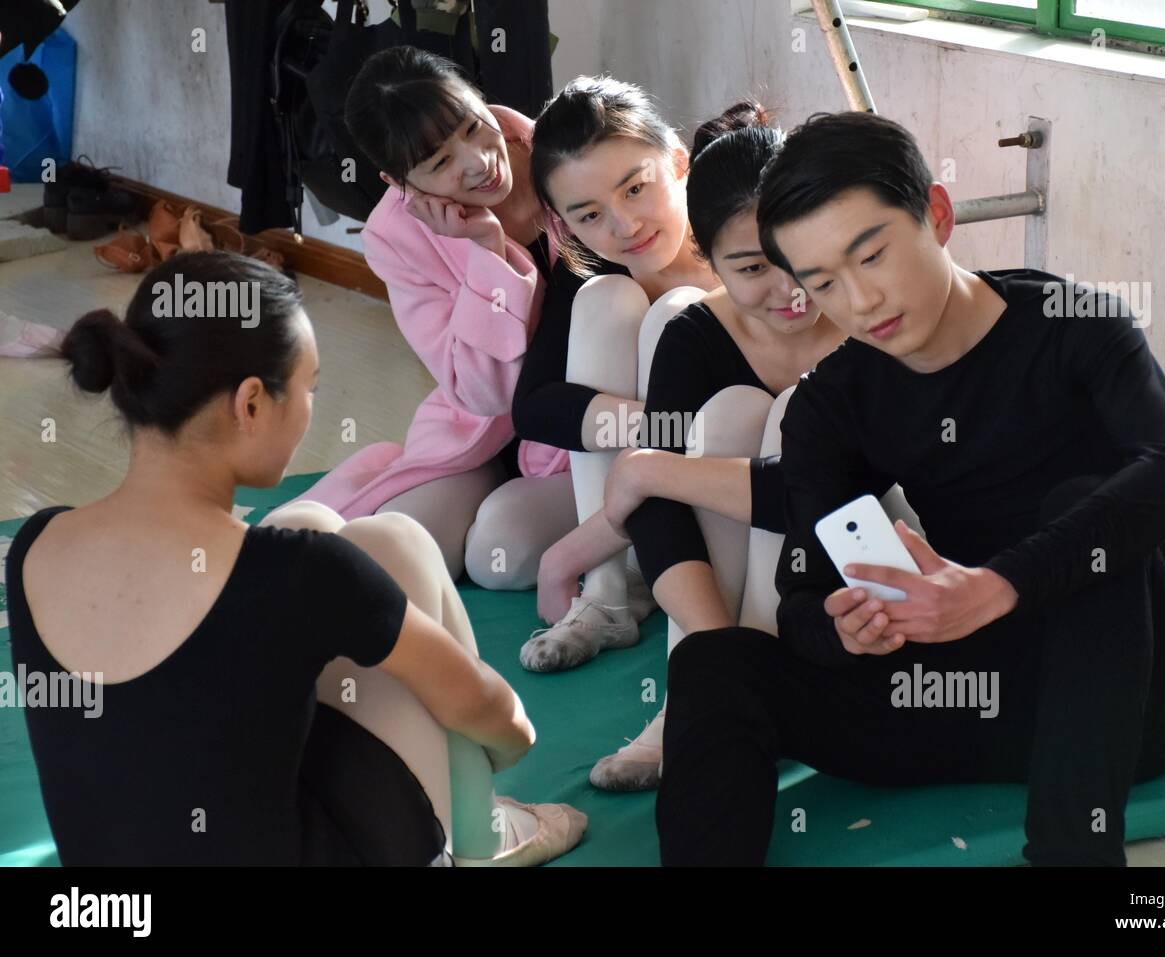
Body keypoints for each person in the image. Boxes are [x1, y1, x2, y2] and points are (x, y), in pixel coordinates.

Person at [655, 110, 1165, 866]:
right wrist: (842, 624)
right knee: (714, 660)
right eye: (822, 283)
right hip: (951, 695)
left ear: (938, 215)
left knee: (1086, 506)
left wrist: (998, 585)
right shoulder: (832, 401)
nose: (859, 302)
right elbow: (800, 600)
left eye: (873, 255)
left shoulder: (1074, 326)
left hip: (1122, 701)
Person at [5, 251, 585, 866]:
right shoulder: (294, 571)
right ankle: (483, 836)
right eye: (308, 387)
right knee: (397, 545)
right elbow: (497, 721)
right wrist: (502, 729)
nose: (311, 409)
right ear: (251, 404)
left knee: (309, 525)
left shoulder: (36, 547)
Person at [547, 100, 918, 790]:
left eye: (797, 258)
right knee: (730, 416)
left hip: (876, 567)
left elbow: (829, 491)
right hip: (767, 575)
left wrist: (649, 475)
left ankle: (754, 695)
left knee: (788, 418)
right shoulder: (693, 336)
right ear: (708, 258)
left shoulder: (870, 313)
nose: (791, 291)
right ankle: (714, 690)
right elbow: (660, 515)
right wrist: (716, 657)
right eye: (751, 269)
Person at [276, 47, 582, 586]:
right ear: (400, 182)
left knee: (499, 557)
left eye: (472, 126)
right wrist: (487, 252)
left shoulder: (568, 148)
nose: (477, 162)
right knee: (393, 562)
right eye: (439, 162)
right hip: (485, 431)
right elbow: (483, 394)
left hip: (584, 421)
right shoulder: (396, 235)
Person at [505, 74, 718, 675]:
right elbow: (535, 406)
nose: (624, 227)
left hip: (735, 484)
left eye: (635, 189)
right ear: (565, 224)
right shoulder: (594, 271)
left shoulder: (739, 238)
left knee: (676, 314)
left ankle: (690, 623)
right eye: (591, 214)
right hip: (641, 481)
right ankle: (606, 599)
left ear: (677, 161)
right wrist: (657, 428)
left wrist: (570, 551)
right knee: (498, 547)